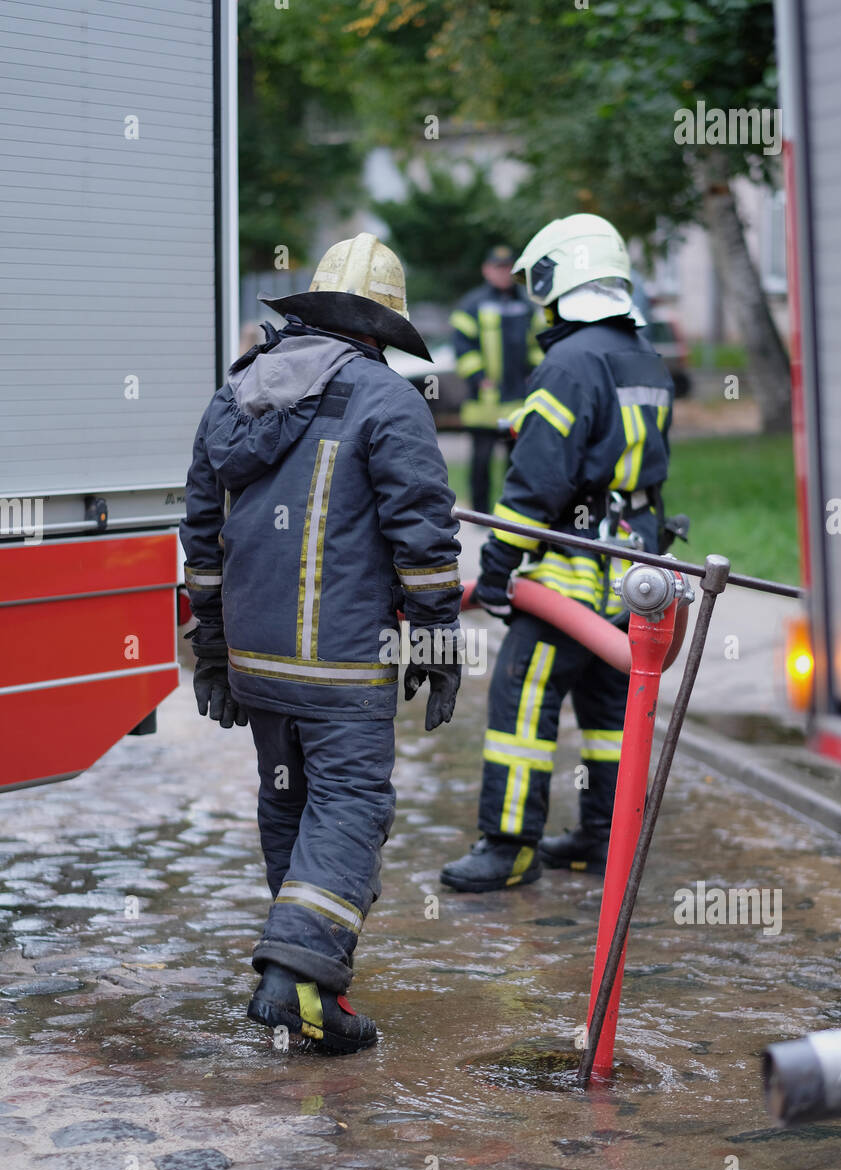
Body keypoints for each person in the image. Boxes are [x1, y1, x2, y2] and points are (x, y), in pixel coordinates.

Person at [181, 233, 463, 1051]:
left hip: (259, 667)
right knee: (349, 807)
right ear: (378, 329)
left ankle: (312, 995)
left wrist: (213, 652)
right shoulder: (387, 400)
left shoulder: (232, 396)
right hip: (343, 668)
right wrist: (440, 650)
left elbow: (201, 540)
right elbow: (423, 537)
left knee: (291, 809)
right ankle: (289, 979)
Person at [441, 214, 673, 893]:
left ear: (560, 277)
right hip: (632, 574)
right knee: (608, 705)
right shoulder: (645, 357)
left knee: (521, 698)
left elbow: (534, 485)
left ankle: (509, 845)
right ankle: (606, 836)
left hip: (568, 574)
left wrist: (495, 569)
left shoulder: (568, 363)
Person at [451, 245, 543, 514]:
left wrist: (535, 373)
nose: (503, 274)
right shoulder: (472, 304)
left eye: (507, 269)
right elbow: (462, 346)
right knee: (480, 462)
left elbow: (538, 344)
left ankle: (511, 512)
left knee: (515, 463)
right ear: (486, 270)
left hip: (517, 402)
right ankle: (480, 514)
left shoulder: (526, 305)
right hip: (484, 404)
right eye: (498, 268)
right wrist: (479, 378)